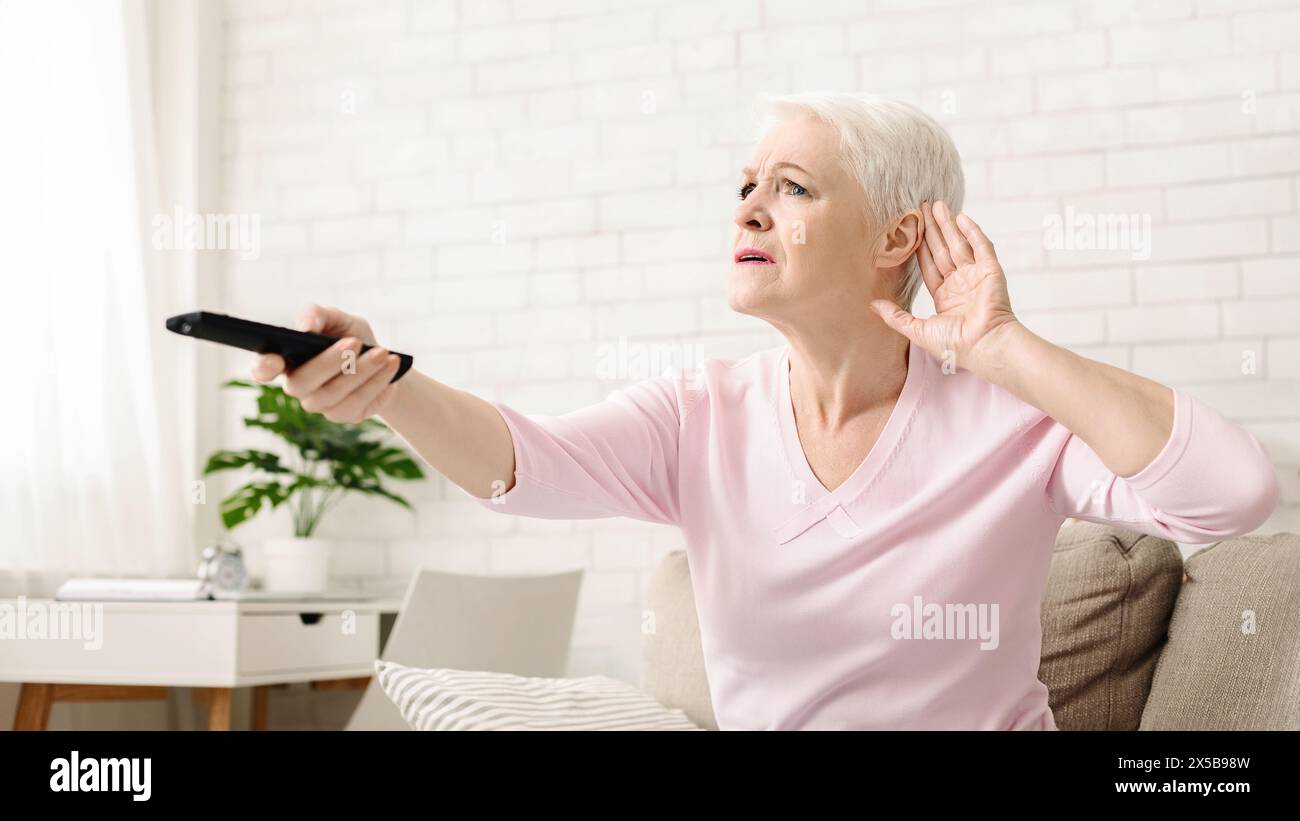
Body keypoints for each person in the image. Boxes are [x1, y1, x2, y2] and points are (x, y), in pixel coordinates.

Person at [250, 92, 1278, 730]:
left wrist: (1006, 348)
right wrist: (389, 384)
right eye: (745, 185)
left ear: (895, 235)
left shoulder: (1011, 415)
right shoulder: (700, 413)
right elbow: (521, 465)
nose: (745, 208)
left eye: (790, 188)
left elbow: (1230, 496)